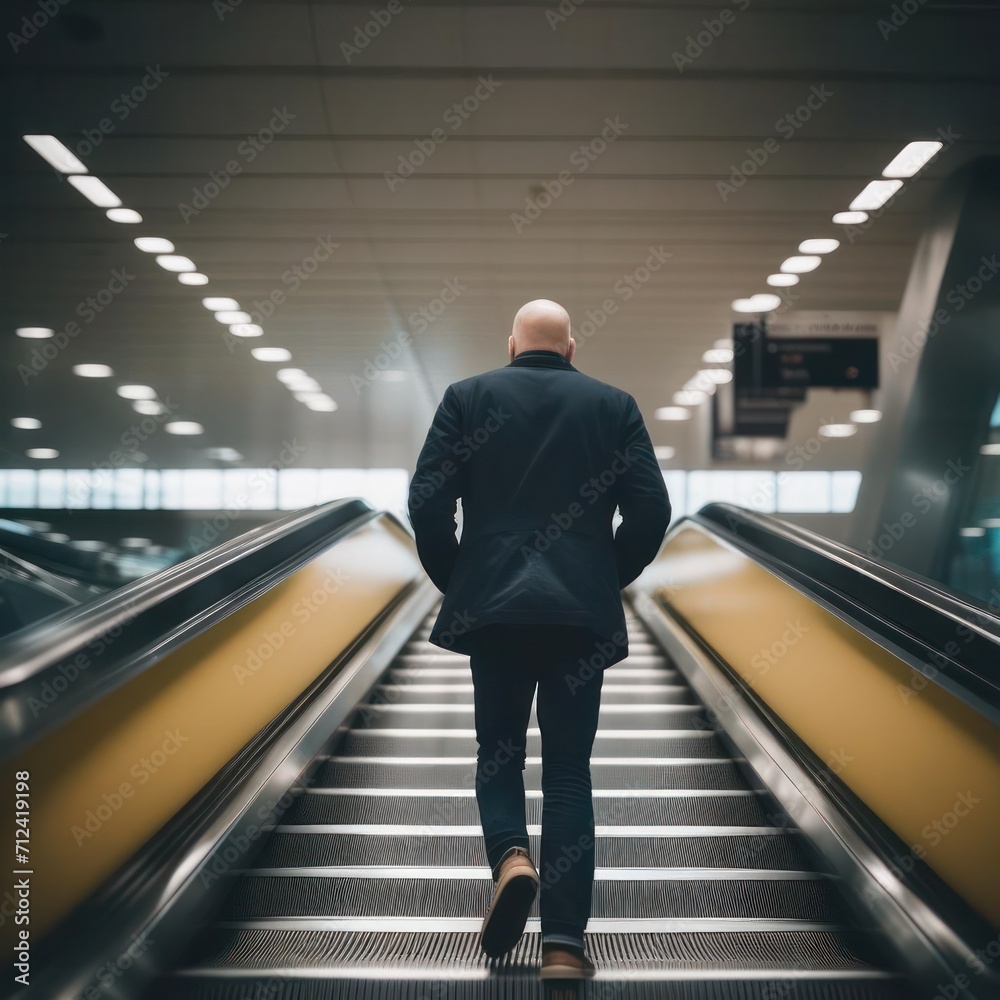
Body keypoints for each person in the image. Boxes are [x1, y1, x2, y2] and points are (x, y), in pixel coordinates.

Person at [407, 298, 671, 979]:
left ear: (510, 345)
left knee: (498, 752)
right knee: (568, 772)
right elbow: (652, 510)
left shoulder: (468, 398)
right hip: (577, 618)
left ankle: (511, 857)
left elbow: (428, 501)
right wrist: (601, 575)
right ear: (573, 350)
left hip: (494, 609)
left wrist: (459, 578)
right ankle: (562, 946)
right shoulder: (614, 407)